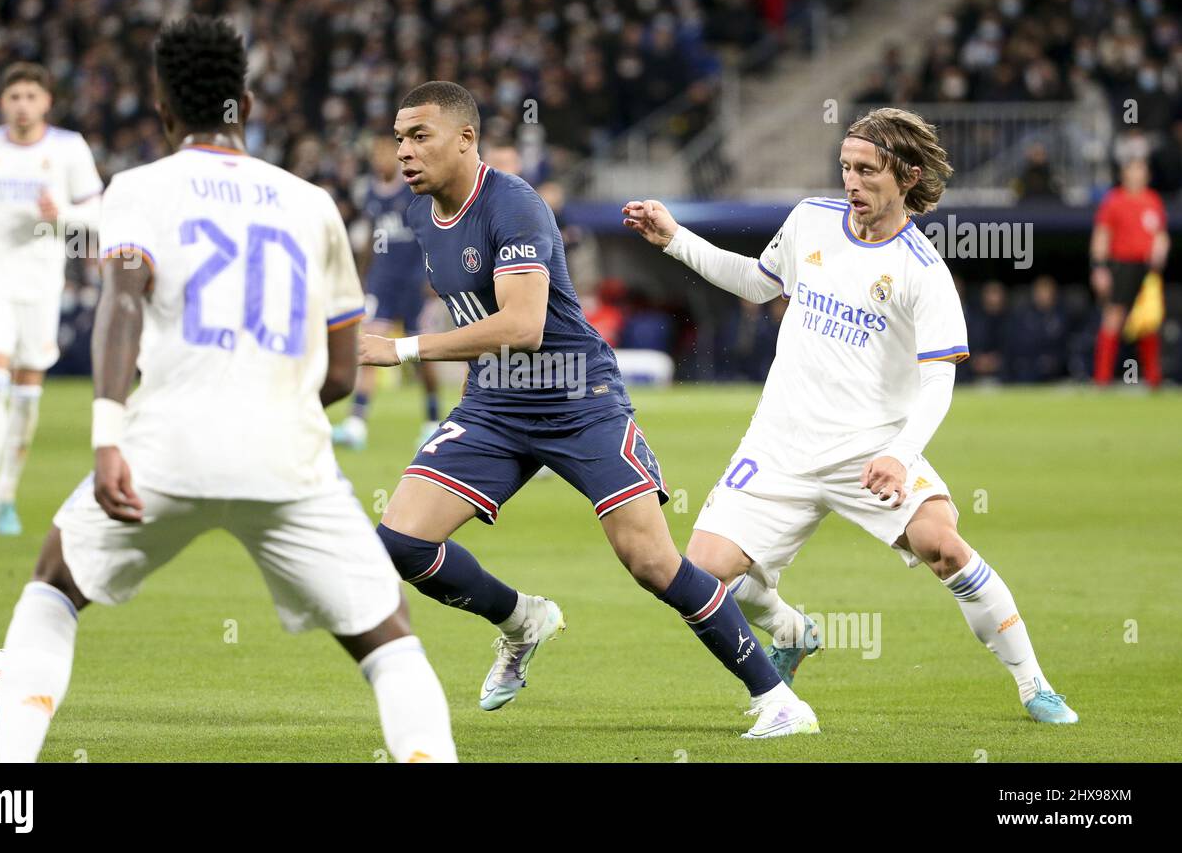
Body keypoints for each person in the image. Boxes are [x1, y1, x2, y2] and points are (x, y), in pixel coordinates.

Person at [0, 16, 456, 764]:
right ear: (246, 99)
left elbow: (122, 303)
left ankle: (7, 789)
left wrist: (109, 432)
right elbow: (342, 370)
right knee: (387, 639)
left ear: (163, 107)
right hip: (287, 456)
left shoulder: (137, 188)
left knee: (53, 586)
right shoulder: (311, 203)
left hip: (162, 448)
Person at [360, 80, 819, 739]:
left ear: (466, 138)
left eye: (419, 135)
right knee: (400, 541)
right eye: (400, 136)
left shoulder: (514, 205)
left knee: (651, 562)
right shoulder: (416, 216)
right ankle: (522, 619)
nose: (404, 150)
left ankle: (778, 700)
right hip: (494, 404)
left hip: (578, 398)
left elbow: (523, 324)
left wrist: (401, 350)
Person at [623, 107, 1078, 724]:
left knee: (943, 546)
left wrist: (901, 454)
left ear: (908, 177)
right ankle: (790, 629)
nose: (852, 183)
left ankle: (1033, 684)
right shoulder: (811, 221)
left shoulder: (924, 272)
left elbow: (939, 378)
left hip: (871, 450)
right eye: (846, 168)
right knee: (700, 578)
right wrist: (676, 238)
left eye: (867, 171)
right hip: (781, 443)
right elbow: (759, 283)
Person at [0, 62, 103, 537]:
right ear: (2, 102)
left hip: (41, 279)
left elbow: (97, 213)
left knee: (26, 389)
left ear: (47, 103)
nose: (22, 104)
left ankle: (7, 495)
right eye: (14, 95)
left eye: (31, 96)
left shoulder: (68, 148)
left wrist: (61, 216)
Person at [332, 136, 442, 451]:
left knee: (421, 353)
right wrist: (363, 276)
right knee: (369, 342)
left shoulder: (413, 191)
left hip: (413, 281)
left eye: (385, 154)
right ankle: (356, 422)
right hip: (382, 281)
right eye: (376, 154)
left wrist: (432, 275)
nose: (381, 160)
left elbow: (430, 234)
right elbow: (370, 237)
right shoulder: (370, 194)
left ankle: (432, 418)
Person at [1090, 158, 1169, 388]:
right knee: (1114, 318)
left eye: (1141, 170)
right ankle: (1102, 380)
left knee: (1149, 320)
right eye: (1133, 170)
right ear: (1124, 174)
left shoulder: (1153, 200)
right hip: (1121, 266)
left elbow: (1160, 234)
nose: (1137, 175)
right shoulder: (1114, 201)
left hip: (1147, 269)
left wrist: (1161, 250)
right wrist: (1099, 267)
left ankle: (1154, 380)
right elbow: (1101, 235)